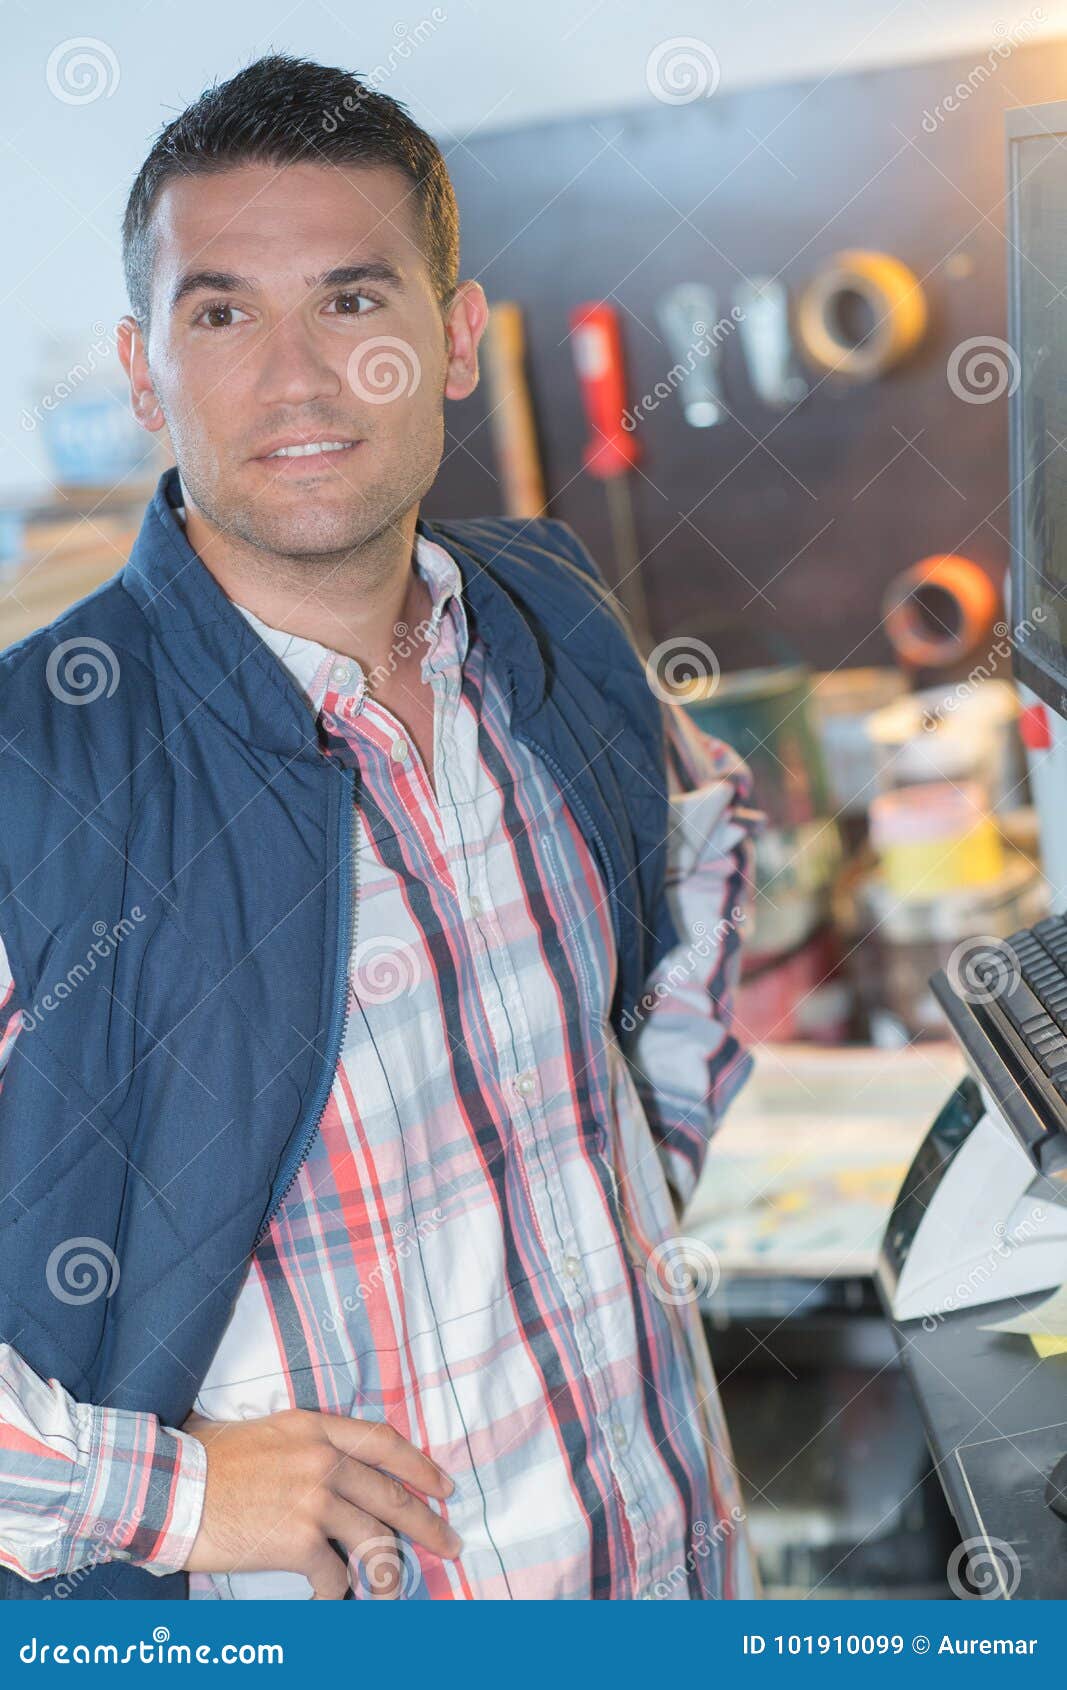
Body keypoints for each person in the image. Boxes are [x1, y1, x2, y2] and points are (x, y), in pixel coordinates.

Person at [0, 53, 762, 1601]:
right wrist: (166, 1491)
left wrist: (626, 1180)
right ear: (146, 370)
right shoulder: (37, 762)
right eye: (222, 315)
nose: (292, 378)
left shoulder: (554, 625)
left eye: (351, 302)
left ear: (455, 339)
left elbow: (707, 840)